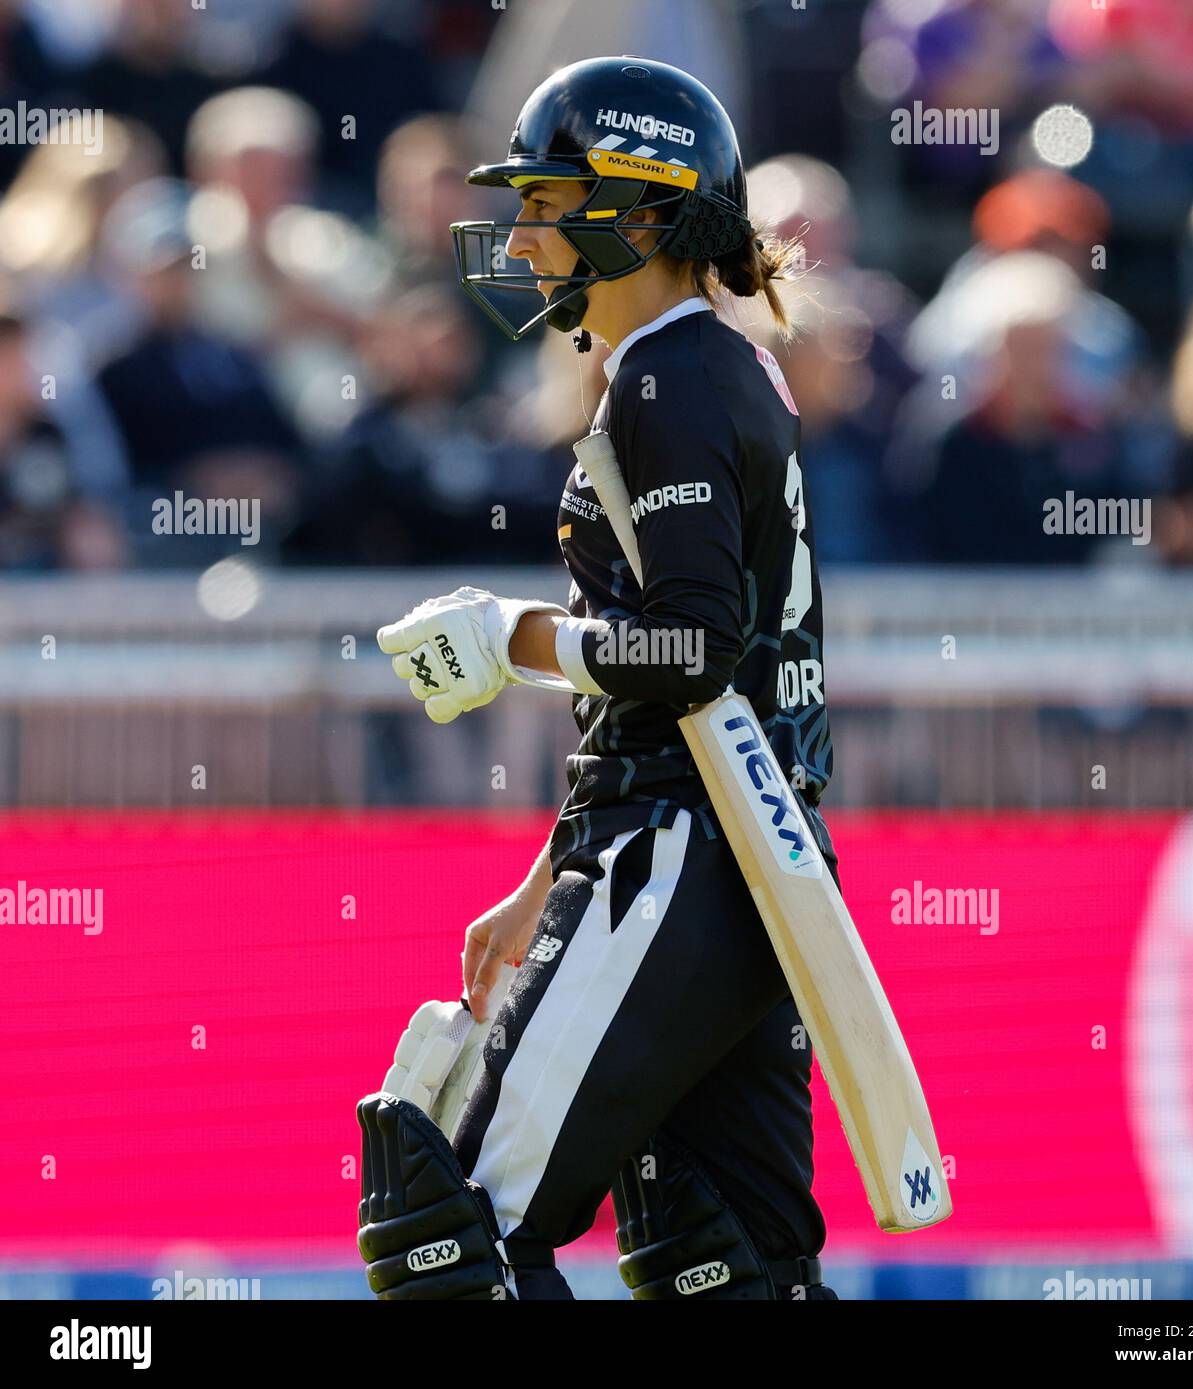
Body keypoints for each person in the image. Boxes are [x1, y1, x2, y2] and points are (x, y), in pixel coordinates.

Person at [362, 56, 837, 1301]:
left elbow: (690, 652)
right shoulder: (706, 363)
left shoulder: (668, 374)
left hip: (683, 853)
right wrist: (547, 879)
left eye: (545, 199)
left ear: (635, 214)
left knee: (451, 1228)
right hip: (743, 855)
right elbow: (681, 679)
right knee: (729, 1266)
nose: (518, 233)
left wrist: (512, 635)